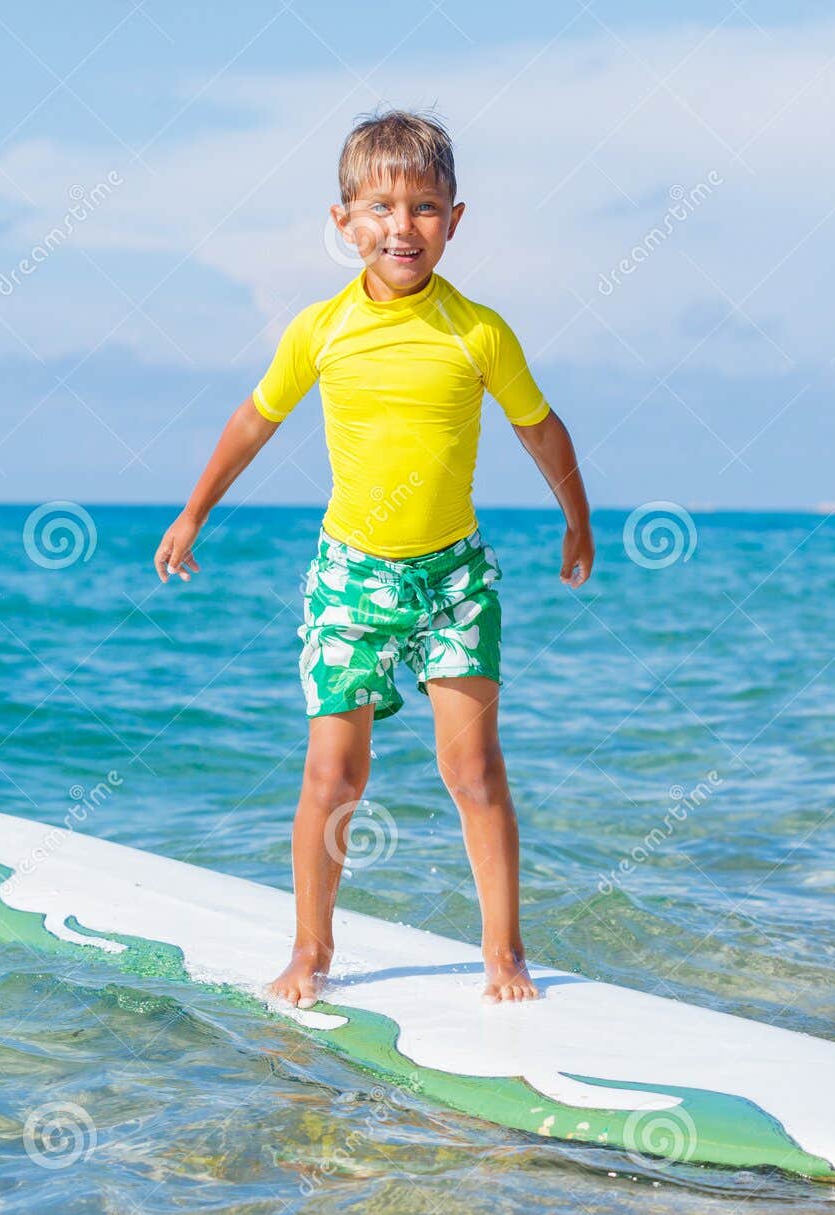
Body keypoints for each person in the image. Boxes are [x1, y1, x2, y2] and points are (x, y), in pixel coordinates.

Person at [153, 109, 594, 1006]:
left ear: (455, 221)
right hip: (352, 574)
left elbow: (541, 430)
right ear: (344, 221)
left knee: (474, 771)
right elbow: (253, 422)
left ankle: (504, 955)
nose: (403, 227)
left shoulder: (480, 332)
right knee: (334, 774)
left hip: (453, 577)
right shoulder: (319, 330)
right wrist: (195, 511)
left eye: (425, 207)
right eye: (382, 208)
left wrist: (575, 518)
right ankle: (310, 952)